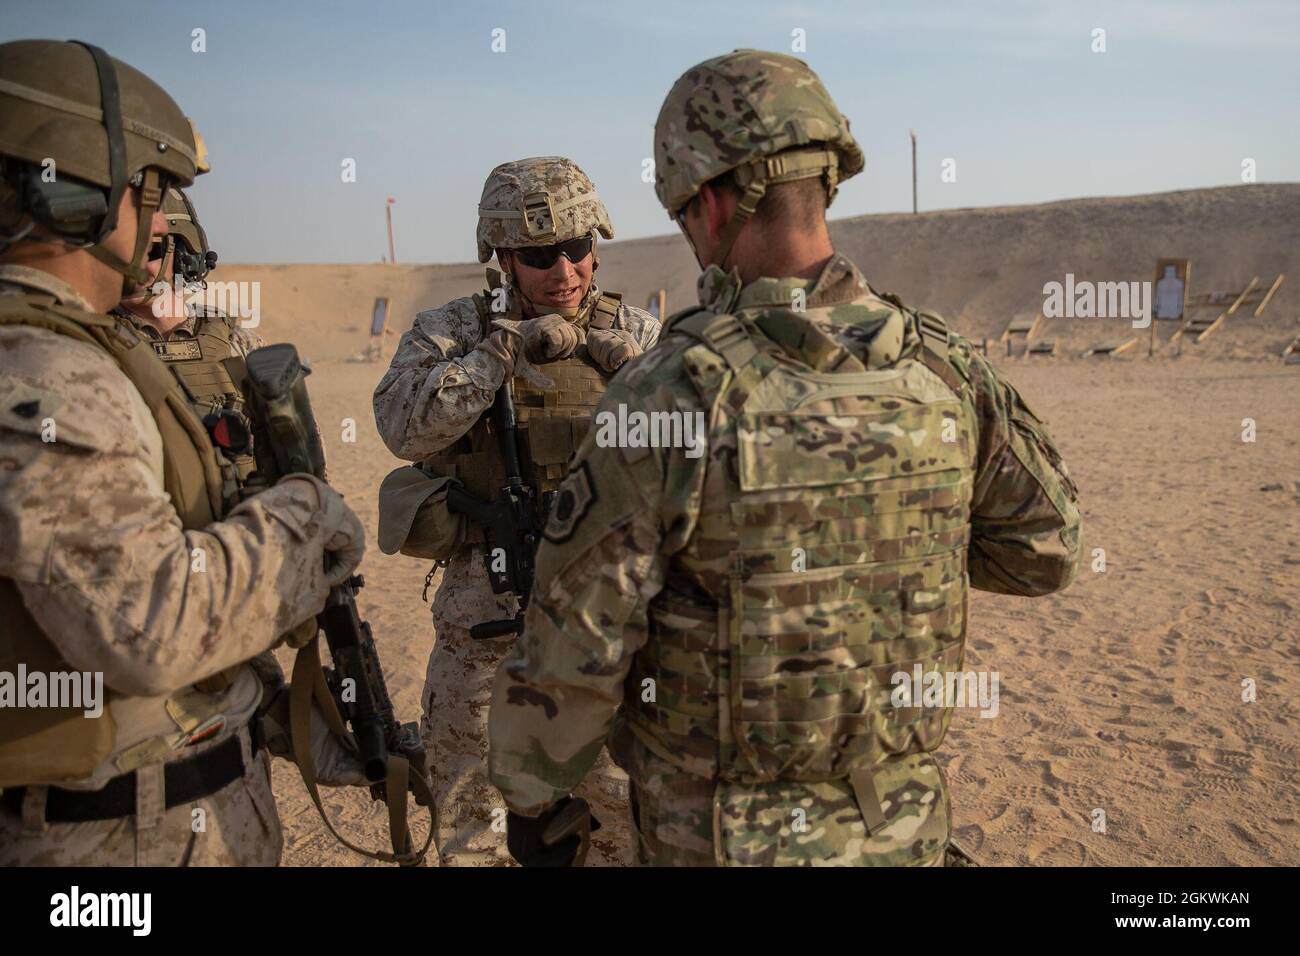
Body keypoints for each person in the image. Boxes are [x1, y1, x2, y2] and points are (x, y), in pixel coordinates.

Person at [487, 49, 1083, 866]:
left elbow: (574, 655)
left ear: (712, 202)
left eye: (685, 214)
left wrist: (531, 794)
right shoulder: (946, 367)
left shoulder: (672, 392)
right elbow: (1046, 552)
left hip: (720, 841)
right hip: (901, 830)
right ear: (826, 180)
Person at [0, 39, 366, 865]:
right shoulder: (48, 371)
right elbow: (150, 625)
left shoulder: (76, 350)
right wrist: (305, 515)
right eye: (149, 194)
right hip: (108, 839)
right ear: (80, 194)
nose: (160, 223)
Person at [372, 156, 659, 865]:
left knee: (625, 821)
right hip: (484, 626)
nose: (564, 271)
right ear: (501, 256)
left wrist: (639, 383)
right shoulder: (455, 330)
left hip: (608, 629)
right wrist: (494, 355)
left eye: (577, 248)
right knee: (473, 824)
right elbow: (403, 426)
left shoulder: (635, 334)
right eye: (539, 255)